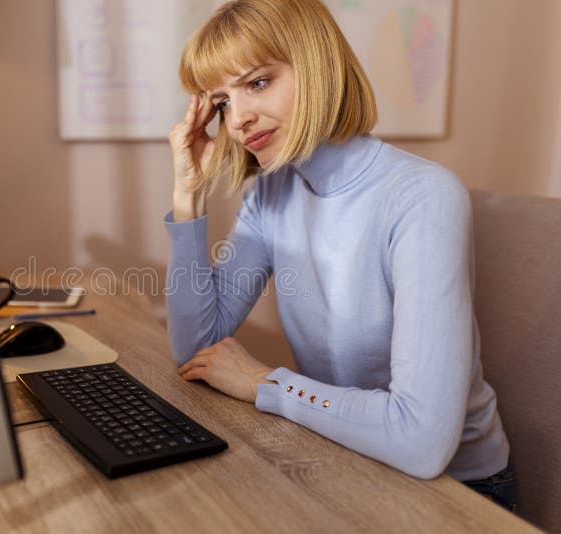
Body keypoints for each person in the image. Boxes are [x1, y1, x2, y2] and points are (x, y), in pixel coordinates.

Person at [164, 0, 516, 511]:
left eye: (257, 83)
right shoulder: (270, 194)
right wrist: (186, 195)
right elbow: (195, 347)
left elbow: (421, 442)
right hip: (345, 457)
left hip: (459, 494)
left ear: (316, 64)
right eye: (221, 103)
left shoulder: (422, 195)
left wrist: (263, 382)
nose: (237, 119)